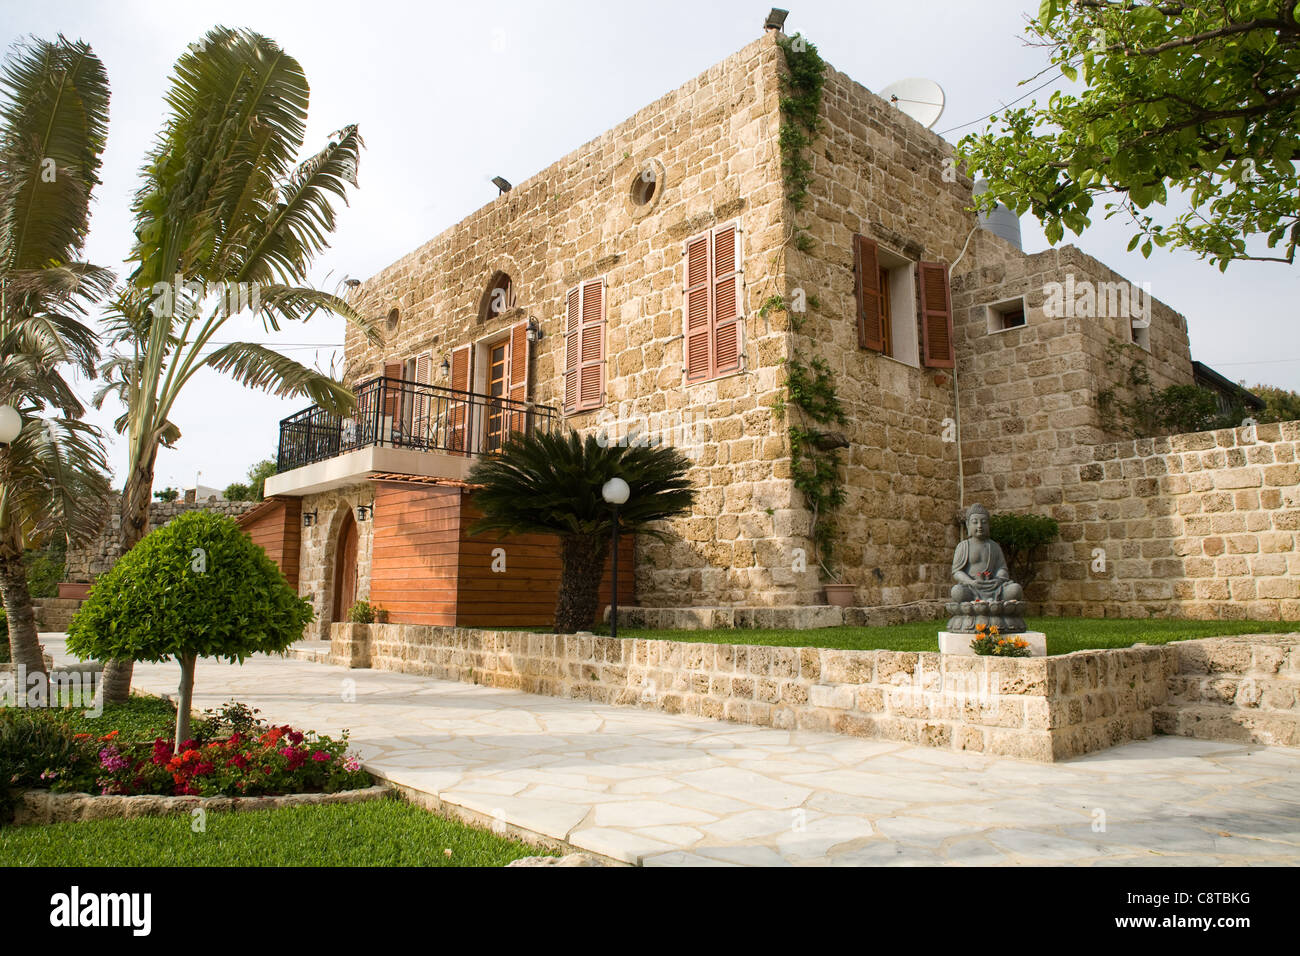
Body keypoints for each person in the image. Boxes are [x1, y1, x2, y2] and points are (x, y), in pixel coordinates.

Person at [950, 504, 1023, 603]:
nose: (979, 526)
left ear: (989, 525)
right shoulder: (964, 546)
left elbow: (1002, 568)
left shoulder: (994, 546)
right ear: (968, 525)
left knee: (1015, 589)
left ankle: (990, 602)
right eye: (975, 522)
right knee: (957, 592)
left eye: (983, 522)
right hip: (972, 587)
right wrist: (970, 582)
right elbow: (957, 572)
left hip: (994, 587)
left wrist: (998, 580)